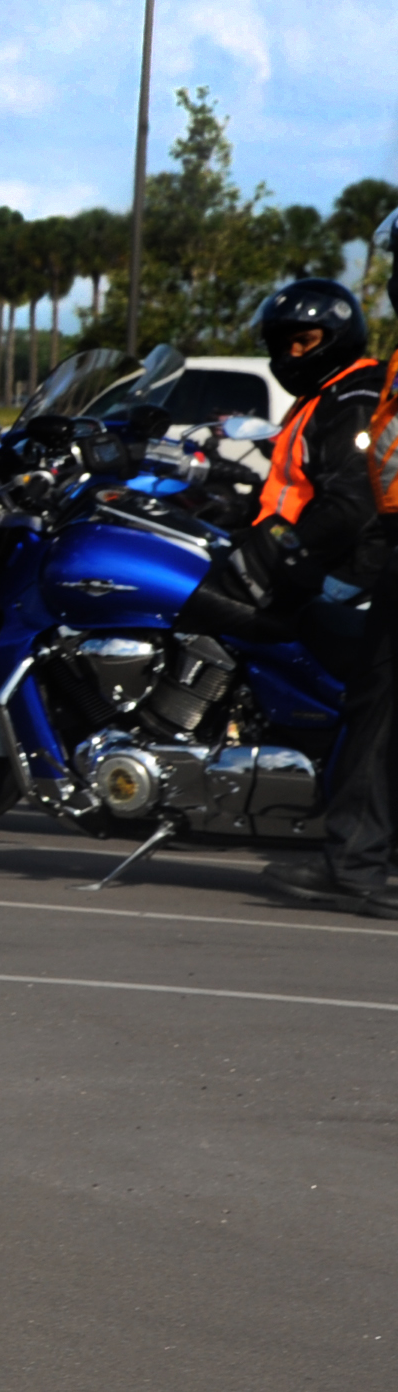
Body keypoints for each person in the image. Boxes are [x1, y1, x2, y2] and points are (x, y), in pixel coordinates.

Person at [251, 269, 396, 914]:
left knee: (380, 705)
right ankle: (357, 858)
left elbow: (353, 494)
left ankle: (359, 865)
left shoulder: (352, 394)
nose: (291, 356)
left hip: (359, 564)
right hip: (381, 553)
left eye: (304, 341)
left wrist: (307, 561)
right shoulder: (354, 389)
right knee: (379, 706)